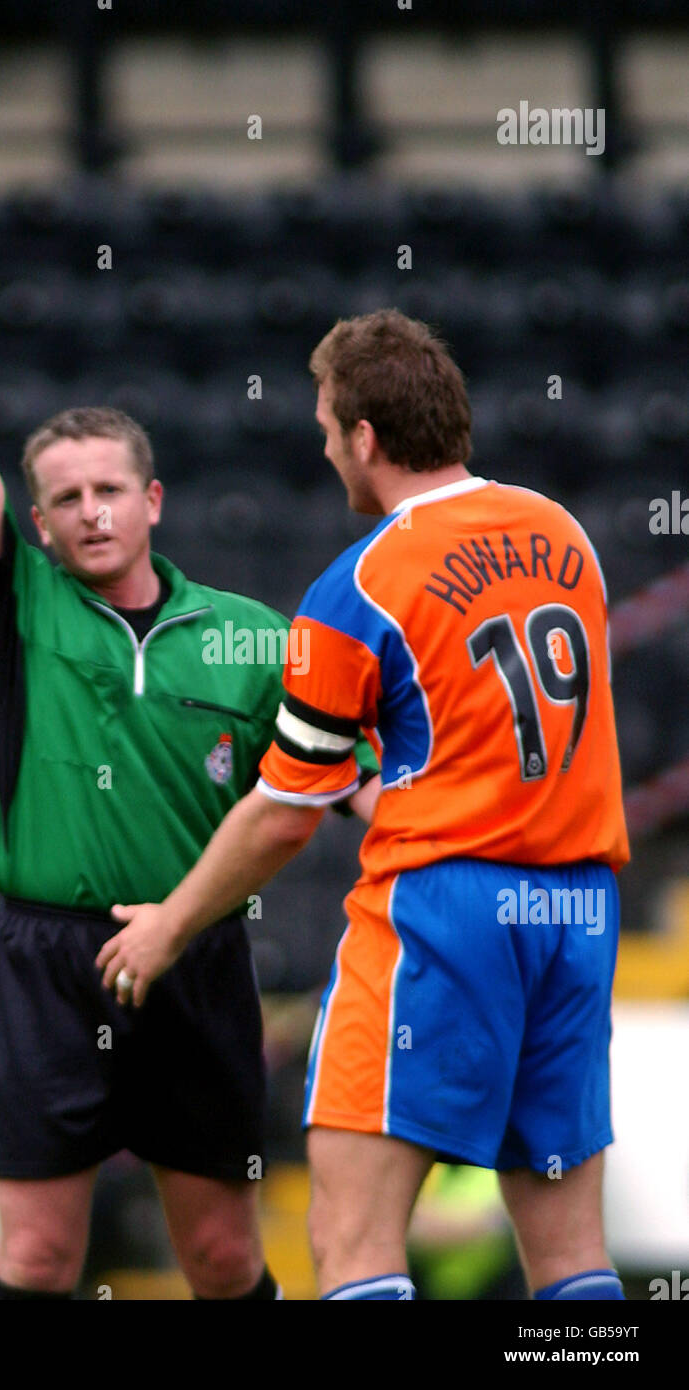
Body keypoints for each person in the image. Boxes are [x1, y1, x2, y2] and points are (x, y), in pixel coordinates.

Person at [0, 183, 379, 1301]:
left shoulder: (255, 635)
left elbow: (334, 782)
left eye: (111, 488)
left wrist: (421, 827)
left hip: (195, 959)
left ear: (152, 499)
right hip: (42, 967)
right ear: (40, 524)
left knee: (219, 1259)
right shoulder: (18, 612)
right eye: (65, 498)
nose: (90, 510)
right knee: (41, 1259)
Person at [99, 308, 631, 1302]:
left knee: (352, 1247)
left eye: (324, 428)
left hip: (442, 917)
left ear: (364, 438)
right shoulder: (562, 533)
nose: (322, 447)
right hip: (575, 912)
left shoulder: (356, 588)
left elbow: (282, 811)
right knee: (570, 1259)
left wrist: (168, 925)